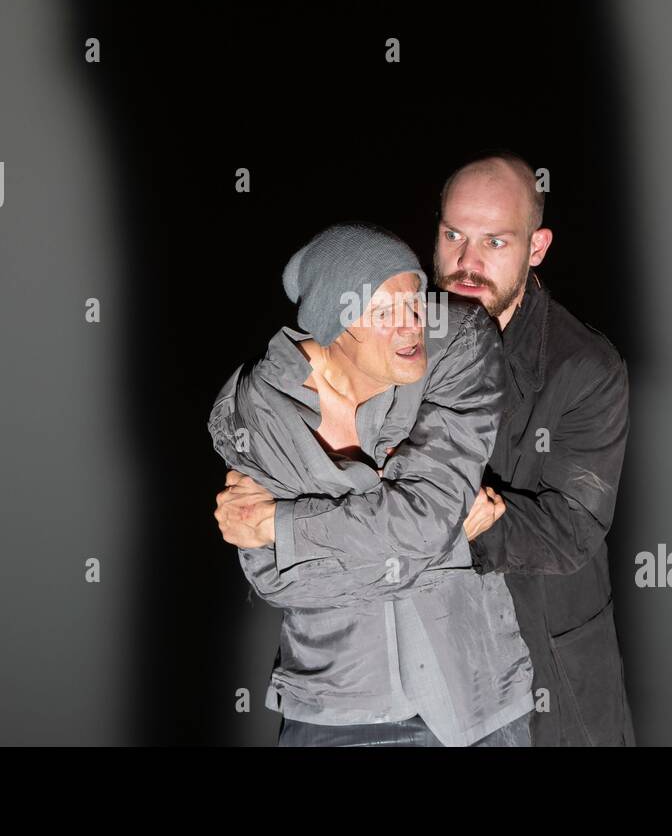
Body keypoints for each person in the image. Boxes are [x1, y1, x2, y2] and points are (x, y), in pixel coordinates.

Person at [209, 222, 534, 746]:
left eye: (415, 303)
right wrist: (444, 537)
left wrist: (283, 525)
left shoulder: (459, 343)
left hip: (474, 699)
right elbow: (278, 580)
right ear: (333, 326)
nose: (412, 326)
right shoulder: (258, 411)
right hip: (337, 708)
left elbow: (423, 519)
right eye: (384, 313)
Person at [434, 150, 637, 746]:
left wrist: (476, 520)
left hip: (544, 668)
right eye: (453, 236)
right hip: (430, 670)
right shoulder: (398, 334)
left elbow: (573, 528)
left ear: (536, 248)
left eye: (494, 242)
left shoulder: (586, 368)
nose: (466, 264)